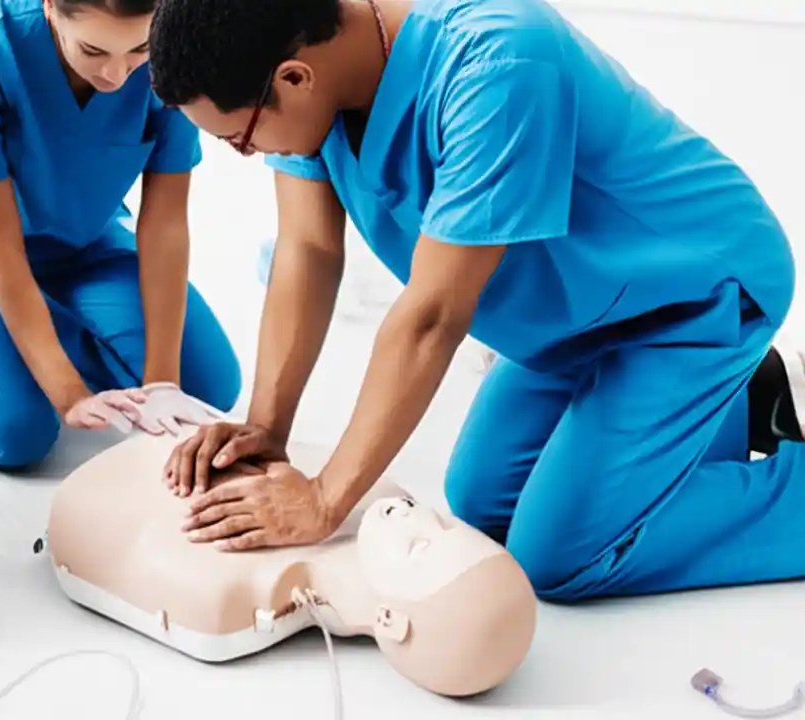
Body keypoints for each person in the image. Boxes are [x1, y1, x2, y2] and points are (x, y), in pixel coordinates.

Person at [148, 0, 805, 602]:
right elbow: (309, 250)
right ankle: (739, 402)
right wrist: (266, 430)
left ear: (295, 78)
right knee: (485, 505)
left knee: (557, 558)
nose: (247, 153)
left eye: (239, 139)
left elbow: (432, 318)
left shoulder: (496, 62)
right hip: (572, 325)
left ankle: (740, 421)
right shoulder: (311, 86)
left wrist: (325, 500)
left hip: (689, 300)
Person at [0, 0, 242, 469]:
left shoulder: (172, 46)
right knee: (15, 434)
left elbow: (165, 223)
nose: (116, 76)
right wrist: (69, 393)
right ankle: (6, 339)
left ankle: (39, 330)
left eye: (139, 49)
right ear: (49, 6)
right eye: (93, 51)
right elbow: (0, 247)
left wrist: (161, 384)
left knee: (208, 388)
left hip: (80, 234)